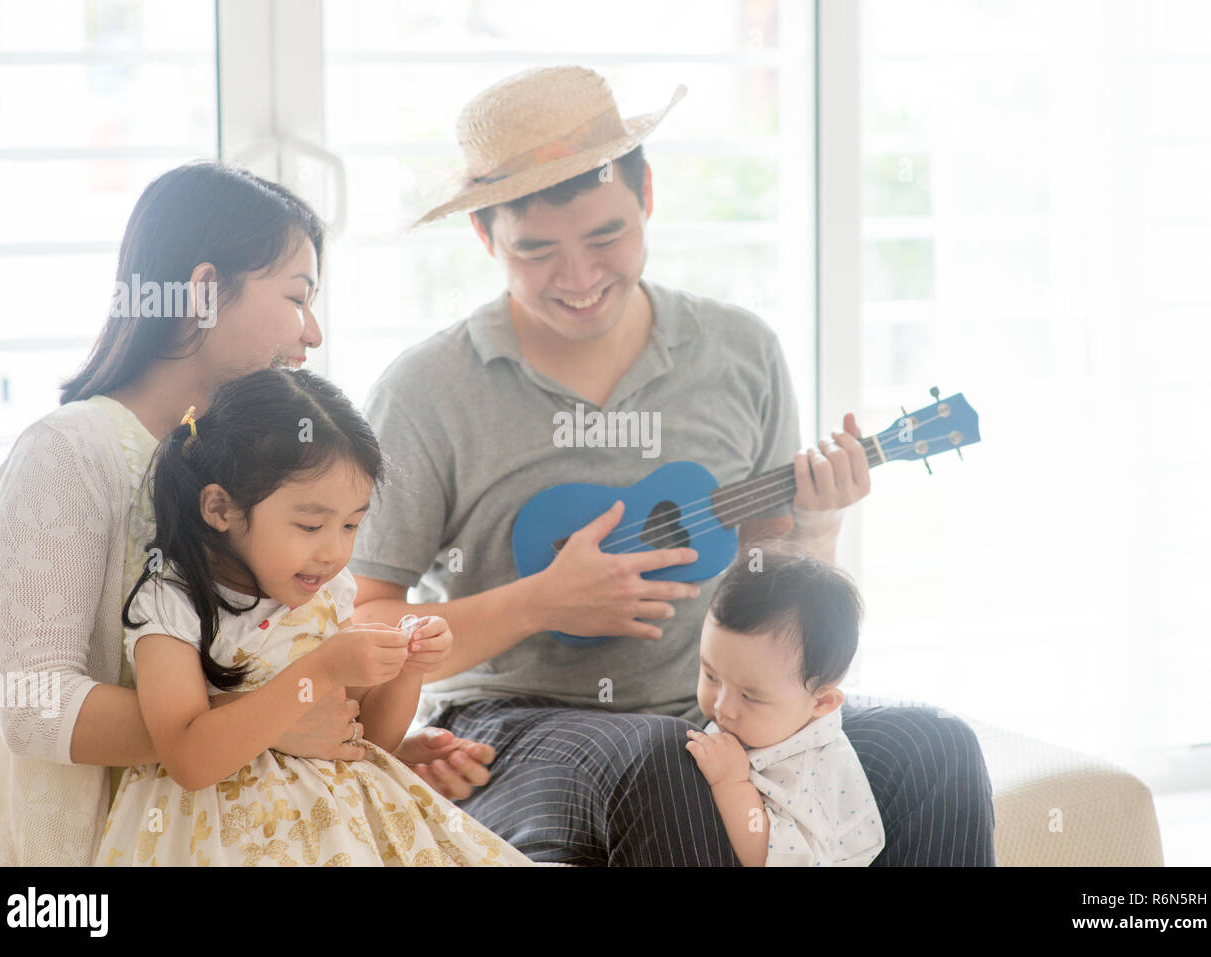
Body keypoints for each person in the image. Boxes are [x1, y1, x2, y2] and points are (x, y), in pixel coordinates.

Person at [349, 65, 995, 866]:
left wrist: (819, 525)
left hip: (727, 711)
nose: (579, 277)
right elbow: (361, 621)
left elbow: (772, 585)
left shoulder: (741, 351)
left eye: (606, 237)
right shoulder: (426, 391)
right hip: (514, 721)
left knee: (935, 748)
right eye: (538, 250)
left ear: (646, 198)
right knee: (670, 764)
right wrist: (540, 601)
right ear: (485, 237)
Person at [0, 162, 499, 866]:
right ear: (206, 291)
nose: (311, 332)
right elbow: (33, 706)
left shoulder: (244, 470)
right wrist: (274, 721)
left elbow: (277, 656)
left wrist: (335, 738)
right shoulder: (69, 453)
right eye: (296, 296)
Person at [95, 368, 531, 866]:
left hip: (345, 835)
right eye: (310, 525)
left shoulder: (329, 594)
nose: (334, 552)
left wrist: (409, 670)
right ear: (220, 507)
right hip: (219, 840)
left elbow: (367, 740)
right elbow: (188, 758)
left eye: (351, 525)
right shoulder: (173, 602)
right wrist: (322, 669)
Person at [684, 548, 883, 867]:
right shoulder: (771, 722)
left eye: (750, 696)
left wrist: (732, 783)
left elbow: (780, 855)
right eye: (711, 675)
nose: (722, 706)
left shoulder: (804, 770)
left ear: (821, 702)